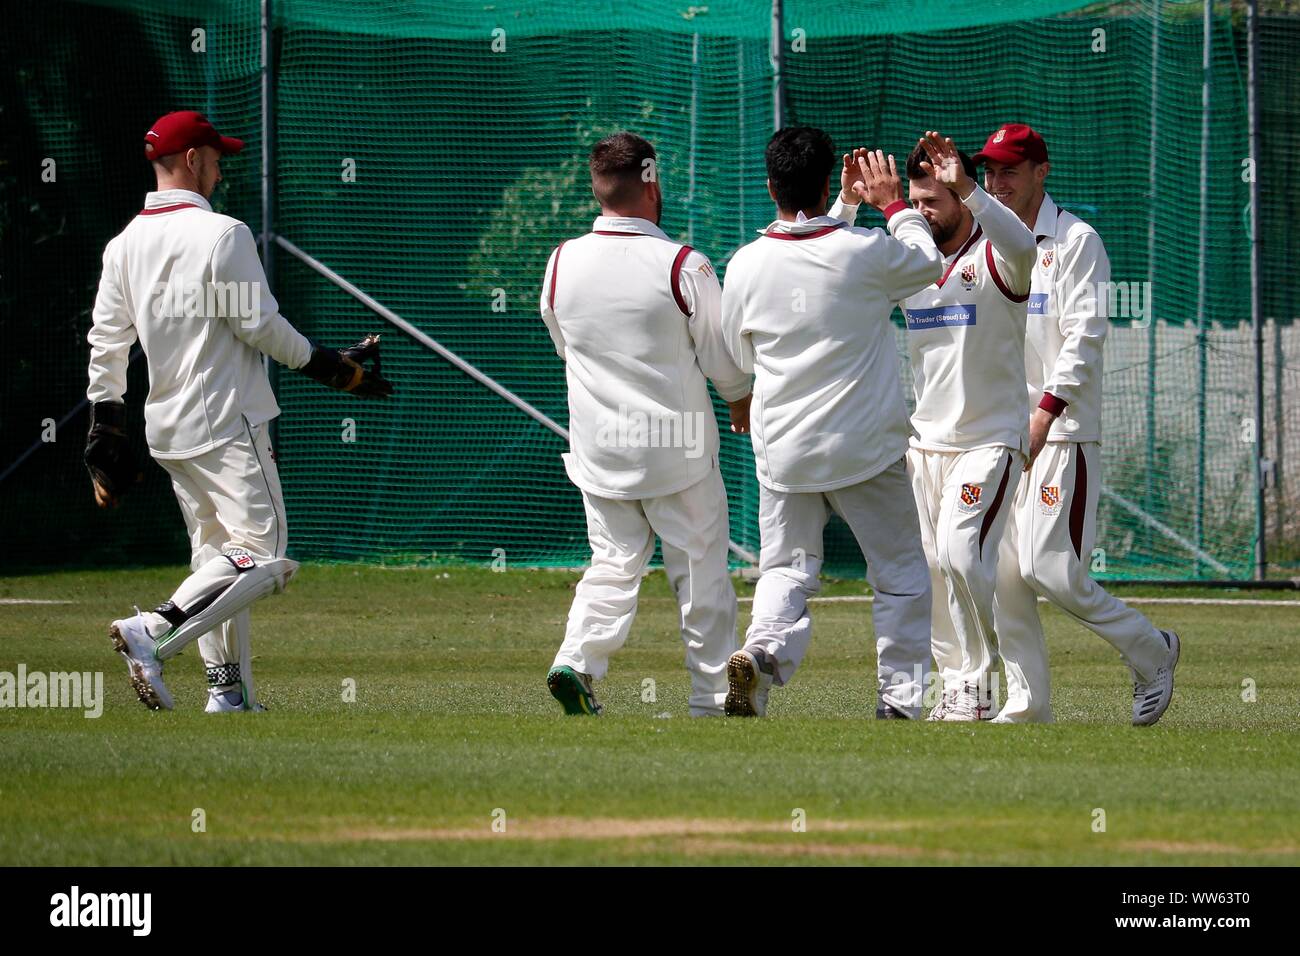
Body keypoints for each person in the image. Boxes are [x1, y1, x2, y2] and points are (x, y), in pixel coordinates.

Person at [85, 110, 393, 711]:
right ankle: (154, 628)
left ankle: (229, 694)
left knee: (217, 558)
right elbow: (259, 326)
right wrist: (333, 368)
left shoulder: (123, 244)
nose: (221, 170)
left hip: (167, 428)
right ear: (194, 158)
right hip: (226, 422)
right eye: (218, 158)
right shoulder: (220, 235)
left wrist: (105, 426)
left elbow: (107, 341)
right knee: (266, 550)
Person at [720, 127, 941, 719]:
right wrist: (891, 202)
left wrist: (841, 207)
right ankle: (899, 703)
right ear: (825, 183)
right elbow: (927, 263)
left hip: (784, 452)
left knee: (786, 571)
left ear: (770, 186)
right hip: (863, 449)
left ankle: (762, 652)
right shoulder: (865, 251)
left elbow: (738, 362)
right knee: (899, 576)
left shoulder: (745, 264)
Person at [541, 132, 752, 717]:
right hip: (677, 454)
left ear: (595, 187)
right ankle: (711, 701)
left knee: (610, 564)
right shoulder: (685, 264)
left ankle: (575, 661)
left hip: (599, 450)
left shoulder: (560, 261)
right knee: (700, 574)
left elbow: (566, 345)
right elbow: (723, 361)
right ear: (653, 181)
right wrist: (739, 399)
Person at [977, 122, 1180, 725]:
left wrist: (1045, 414)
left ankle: (1152, 650)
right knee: (1005, 576)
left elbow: (1084, 336)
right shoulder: (991, 241)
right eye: (990, 171)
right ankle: (1027, 702)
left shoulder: (1076, 240)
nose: (997, 181)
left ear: (1042, 171)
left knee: (1050, 567)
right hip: (1005, 433)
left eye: (1010, 169)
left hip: (1061, 433)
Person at [833, 132, 1038, 721]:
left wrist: (969, 189)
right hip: (925, 444)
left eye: (934, 202)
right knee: (928, 567)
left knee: (958, 554)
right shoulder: (910, 264)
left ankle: (977, 682)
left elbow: (1023, 241)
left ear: (956, 196)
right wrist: (848, 203)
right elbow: (827, 258)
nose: (923, 212)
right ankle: (957, 688)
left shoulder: (999, 257)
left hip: (991, 440)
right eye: (914, 203)